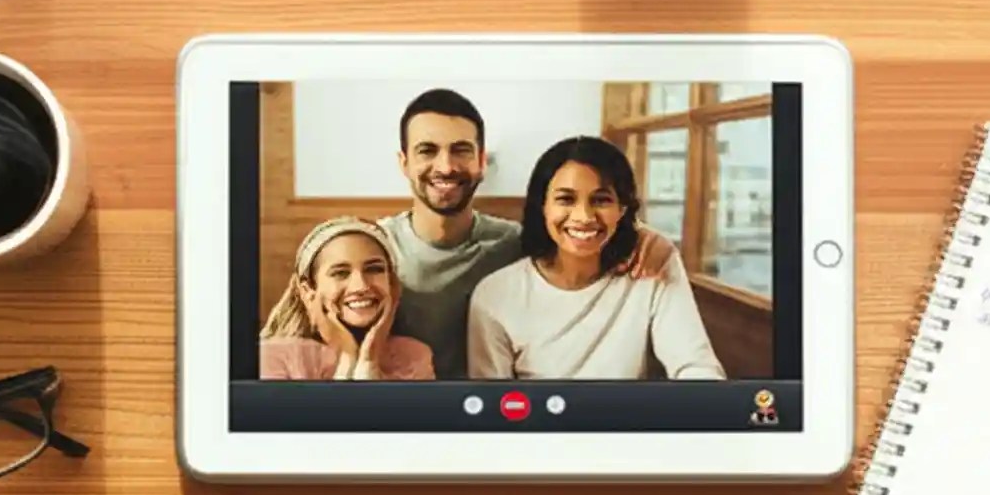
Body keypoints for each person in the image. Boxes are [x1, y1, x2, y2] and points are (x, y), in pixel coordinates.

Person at [375, 88, 678, 379]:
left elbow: (581, 231)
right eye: (427, 151)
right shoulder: (376, 248)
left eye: (461, 151)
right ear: (404, 163)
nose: (446, 166)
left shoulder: (514, 243)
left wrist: (647, 238)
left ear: (481, 162)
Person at [465, 136, 726, 380]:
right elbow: (493, 403)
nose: (584, 217)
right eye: (566, 199)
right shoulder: (494, 295)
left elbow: (695, 365)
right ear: (542, 206)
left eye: (601, 200)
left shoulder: (652, 268)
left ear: (622, 209)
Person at [259, 216, 434, 380]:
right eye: (340, 273)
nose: (361, 286)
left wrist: (369, 364)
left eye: (374, 269)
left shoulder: (414, 356)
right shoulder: (273, 357)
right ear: (308, 290)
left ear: (392, 283)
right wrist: (346, 360)